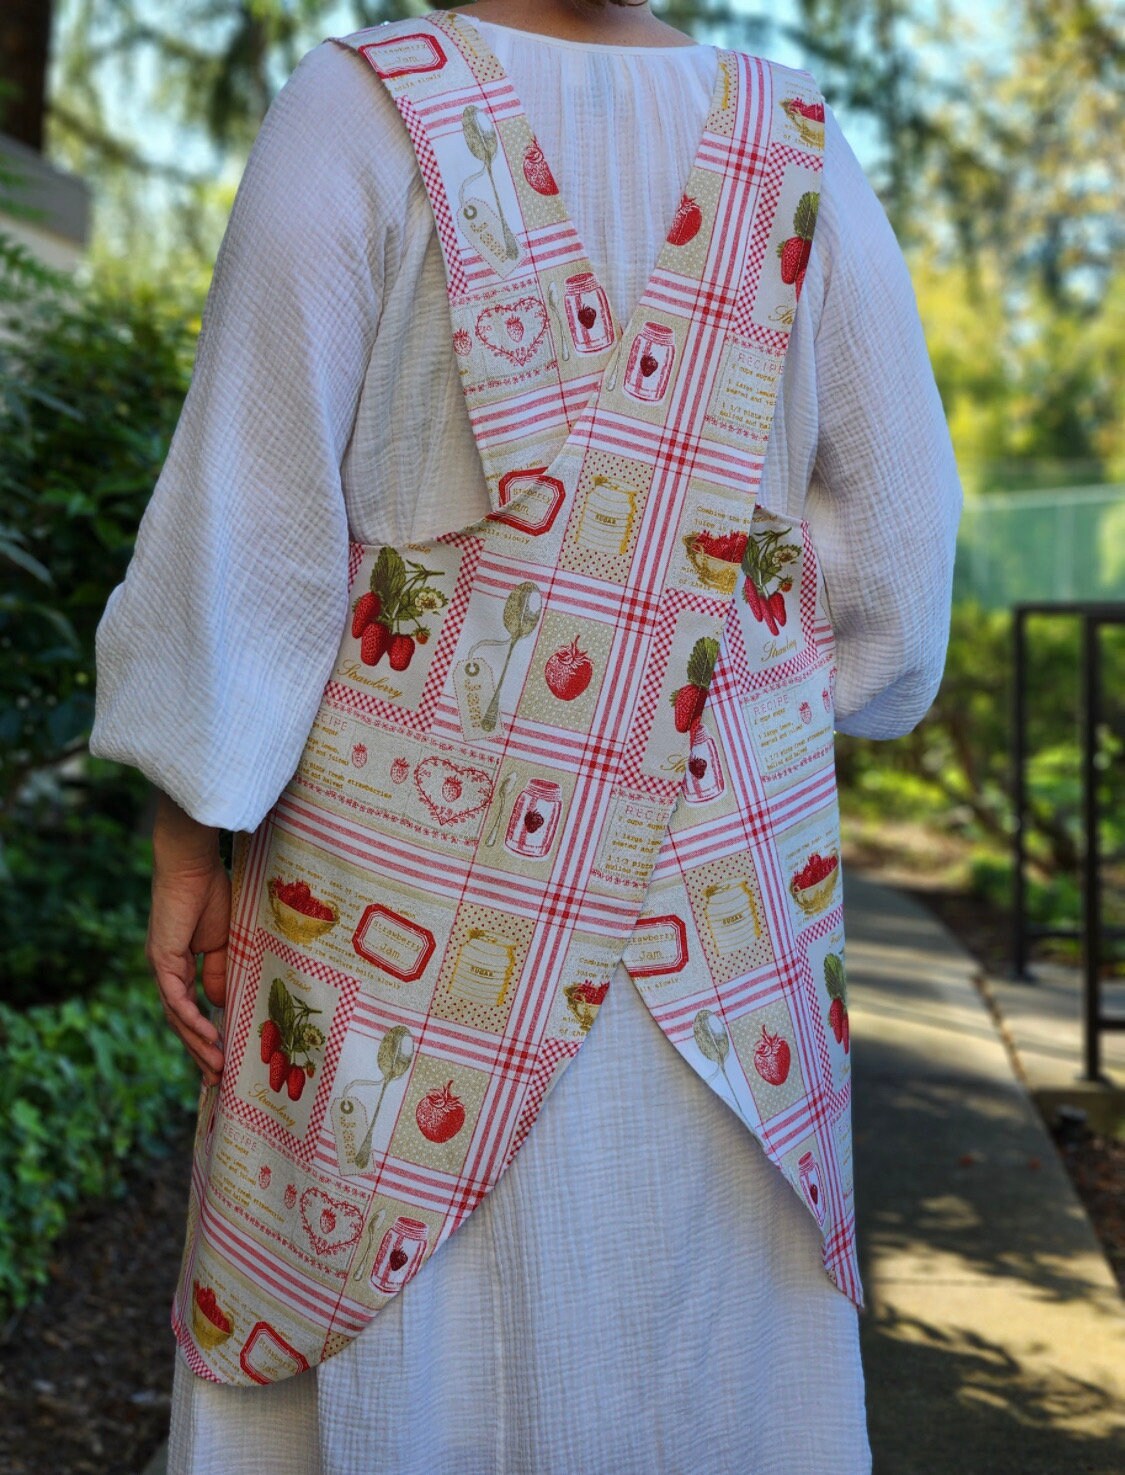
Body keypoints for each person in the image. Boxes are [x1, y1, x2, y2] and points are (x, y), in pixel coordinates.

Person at [88, 1, 962, 1470]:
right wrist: (695, 692)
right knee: (701, 1349)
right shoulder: (789, 134)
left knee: (386, 1347)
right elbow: (896, 552)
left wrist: (194, 809)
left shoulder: (357, 108)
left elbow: (258, 506)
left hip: (391, 921)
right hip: (717, 930)